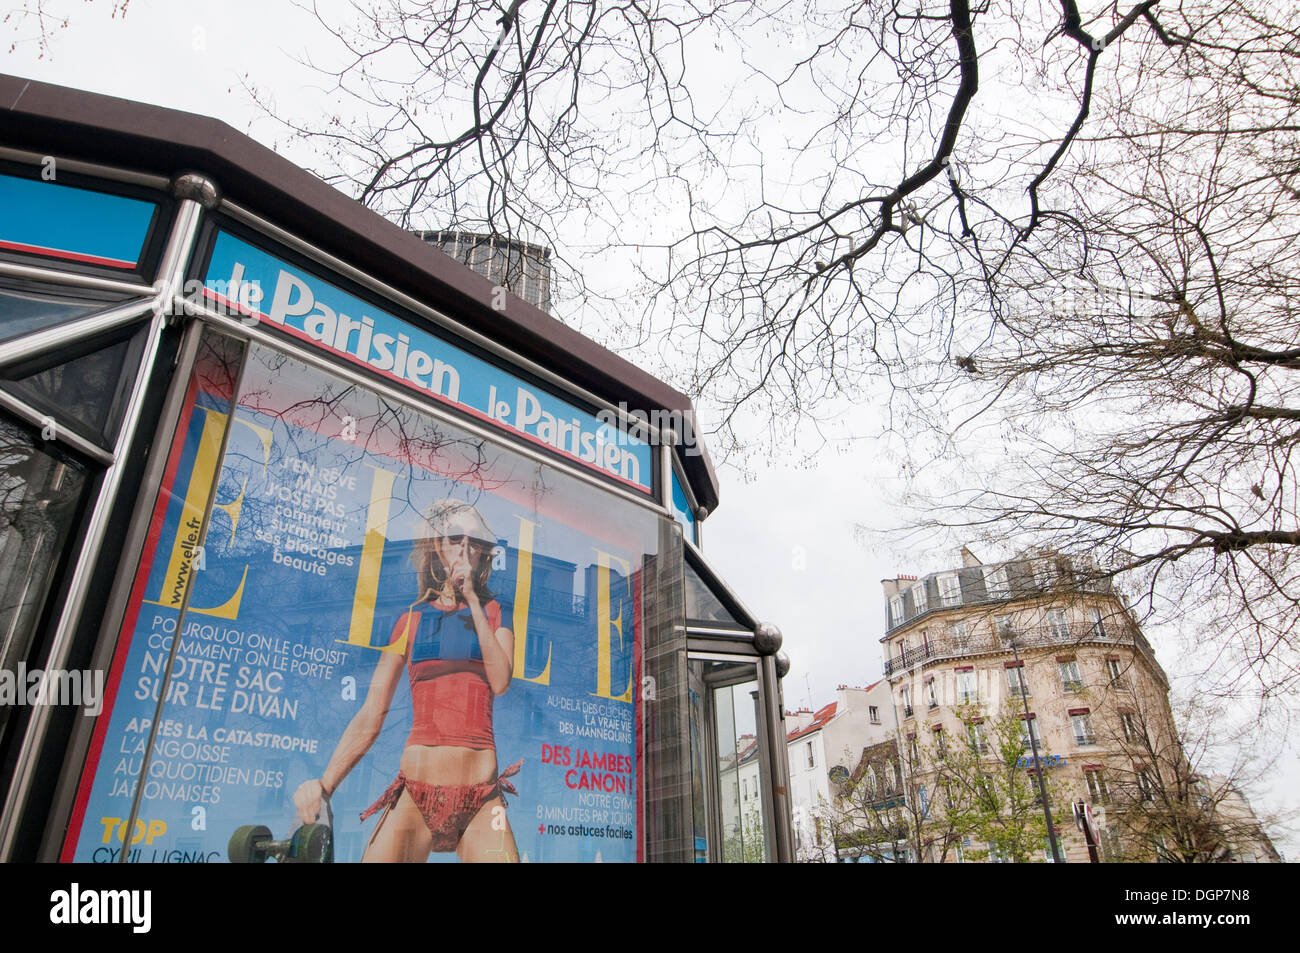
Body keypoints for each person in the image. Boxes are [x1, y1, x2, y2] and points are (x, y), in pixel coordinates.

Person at [293, 499, 521, 862]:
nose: (464, 549)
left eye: (474, 541)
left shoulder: (495, 613)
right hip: (417, 792)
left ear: (484, 553)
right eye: (455, 538)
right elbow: (373, 711)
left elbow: (500, 680)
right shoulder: (410, 620)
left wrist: (472, 600)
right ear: (438, 546)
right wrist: (325, 784)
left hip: (480, 798)